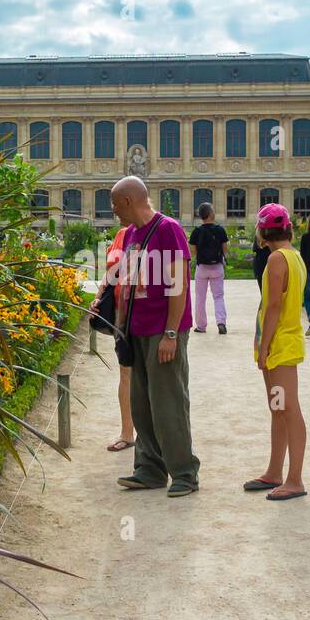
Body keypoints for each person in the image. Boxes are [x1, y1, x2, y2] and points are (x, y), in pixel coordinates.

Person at [111, 176, 200, 498]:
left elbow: (179, 285)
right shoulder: (132, 234)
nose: (113, 211)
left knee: (168, 403)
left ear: (129, 201)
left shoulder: (168, 229)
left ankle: (185, 473)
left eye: (114, 204)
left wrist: (172, 334)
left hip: (163, 331)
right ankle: (148, 469)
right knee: (142, 404)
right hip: (137, 330)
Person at [245, 203, 308, 501]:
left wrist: (263, 347)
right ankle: (274, 471)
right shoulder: (293, 257)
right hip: (284, 342)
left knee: (288, 409)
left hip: (279, 345)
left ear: (262, 232)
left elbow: (272, 308)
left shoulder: (276, 260)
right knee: (278, 407)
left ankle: (294, 479)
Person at [93, 225, 135, 452]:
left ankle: (156, 436)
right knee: (126, 373)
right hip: (123, 315)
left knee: (152, 378)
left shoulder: (161, 230)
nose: (115, 210)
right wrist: (98, 298)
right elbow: (111, 273)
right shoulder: (122, 235)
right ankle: (127, 433)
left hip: (151, 317)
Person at [188, 202, 229, 334]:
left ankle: (201, 326)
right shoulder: (220, 230)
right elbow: (225, 249)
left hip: (202, 268)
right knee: (218, 296)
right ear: (211, 214)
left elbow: (192, 251)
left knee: (200, 297)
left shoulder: (196, 231)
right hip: (216, 266)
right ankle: (221, 322)